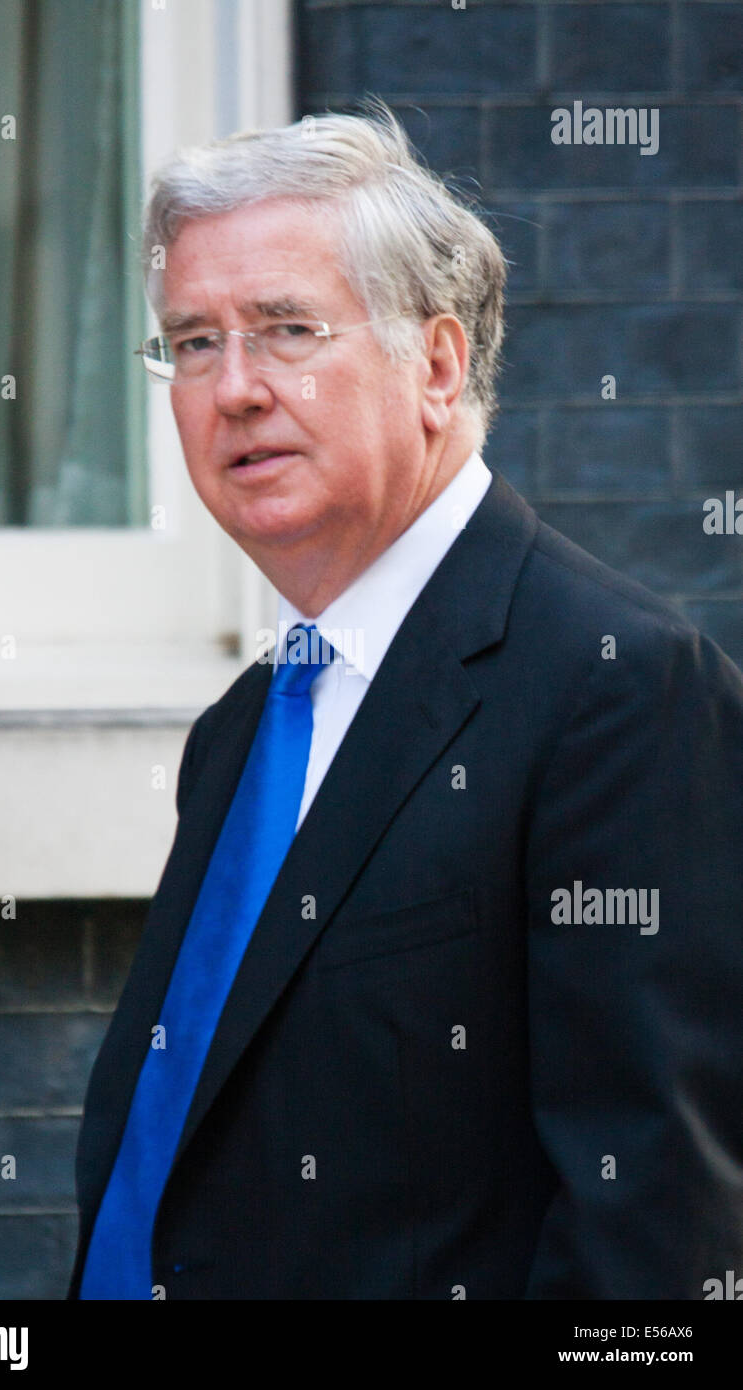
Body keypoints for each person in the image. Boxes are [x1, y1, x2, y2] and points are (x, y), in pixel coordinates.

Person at [69, 99, 743, 1300]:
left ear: (435, 363)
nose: (231, 389)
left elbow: (656, 1226)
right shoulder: (243, 727)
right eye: (191, 341)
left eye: (283, 329)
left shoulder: (620, 690)